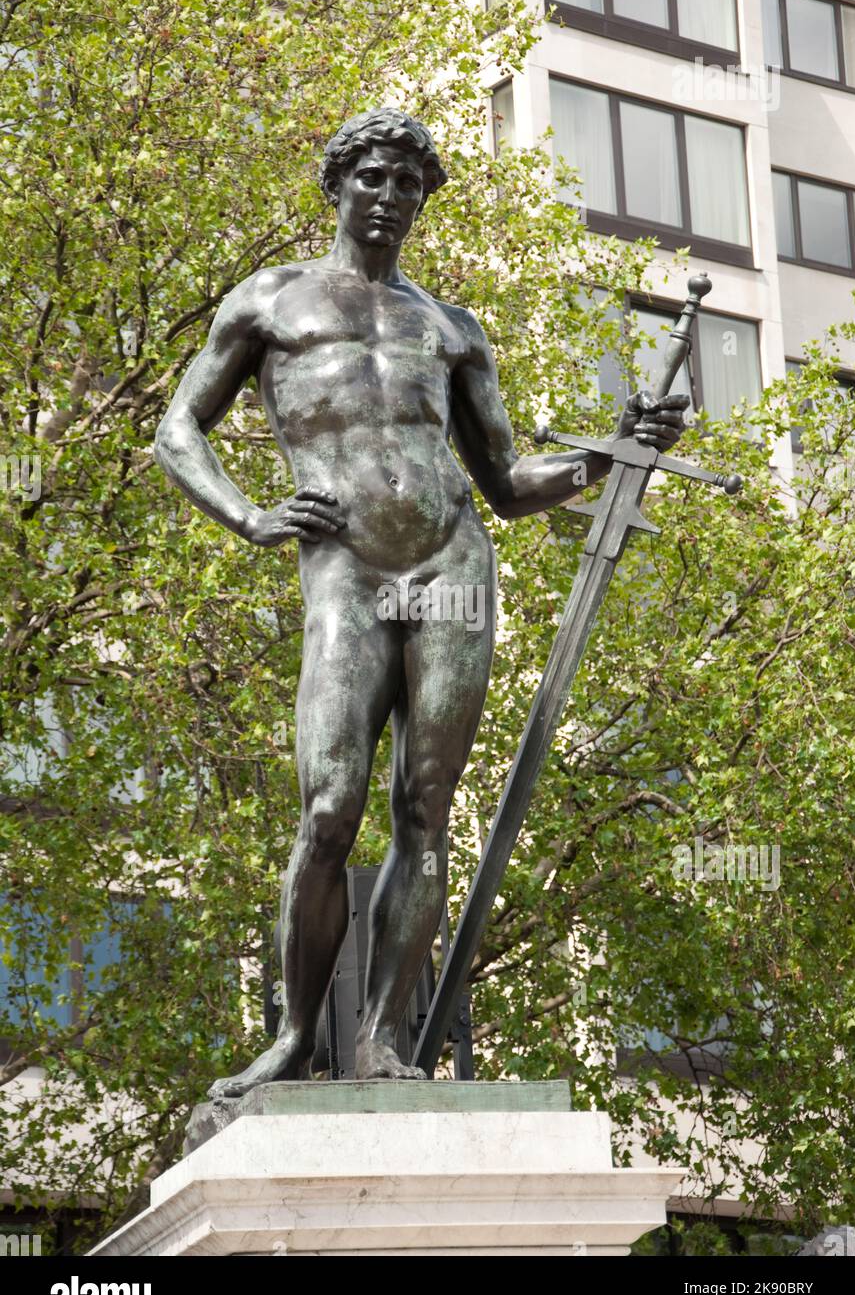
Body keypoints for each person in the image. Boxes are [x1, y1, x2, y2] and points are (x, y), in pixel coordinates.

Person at [154, 108, 688, 1090]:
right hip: (343, 567)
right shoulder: (271, 301)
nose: (391, 195)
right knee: (328, 805)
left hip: (451, 561)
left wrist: (613, 449)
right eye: (374, 176)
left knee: (424, 807)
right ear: (338, 184)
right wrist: (245, 515)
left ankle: (386, 1041)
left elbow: (506, 482)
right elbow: (178, 429)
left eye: (409, 182)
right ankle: (293, 1035)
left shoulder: (449, 327)